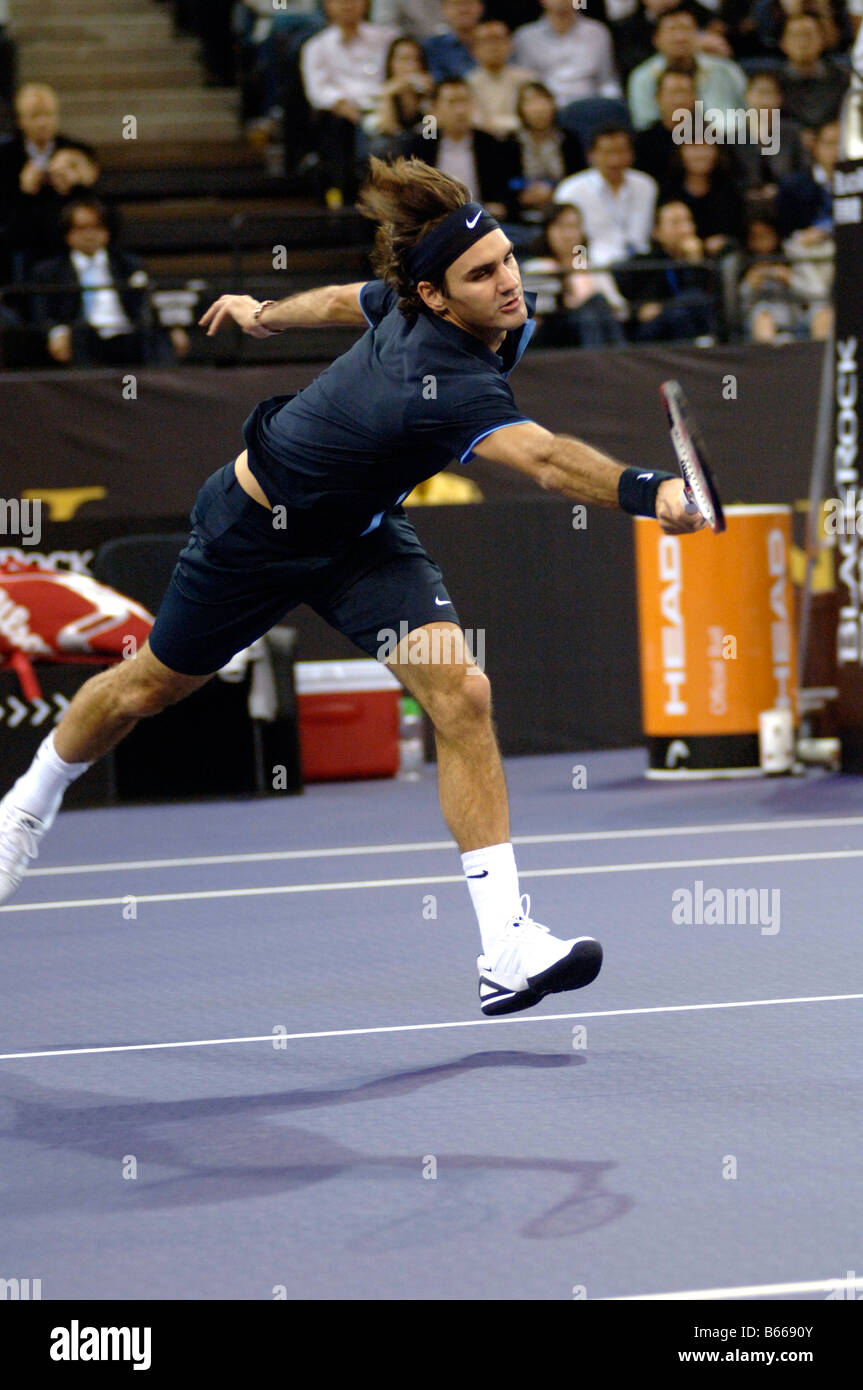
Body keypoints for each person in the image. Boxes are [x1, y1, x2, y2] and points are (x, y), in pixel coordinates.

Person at [0, 155, 702, 1017]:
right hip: (251, 536)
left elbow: (344, 300)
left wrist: (264, 313)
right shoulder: (438, 382)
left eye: (509, 260)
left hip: (363, 539)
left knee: (463, 694)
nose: (510, 282)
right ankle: (28, 805)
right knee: (149, 686)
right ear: (437, 298)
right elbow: (550, 462)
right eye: (483, 275)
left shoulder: (464, 314)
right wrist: (653, 493)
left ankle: (506, 947)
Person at [32, 197, 188, 368]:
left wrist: (172, 328)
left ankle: (155, 392)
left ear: (107, 232)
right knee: (78, 336)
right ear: (68, 234)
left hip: (128, 334)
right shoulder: (49, 271)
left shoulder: (129, 265)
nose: (89, 235)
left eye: (96, 227)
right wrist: (57, 333)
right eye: (82, 228)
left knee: (154, 338)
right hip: (84, 337)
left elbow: (148, 304)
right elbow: (43, 314)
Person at [299, 0, 397, 202]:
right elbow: (317, 91)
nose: (347, 4)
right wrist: (342, 104)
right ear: (327, 5)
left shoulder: (387, 38)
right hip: (346, 116)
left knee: (426, 127)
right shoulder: (316, 46)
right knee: (342, 130)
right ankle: (351, 199)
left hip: (388, 106)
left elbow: (402, 69)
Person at [406, 77, 522, 221]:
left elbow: (510, 193)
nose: (460, 110)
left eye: (465, 101)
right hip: (434, 223)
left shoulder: (493, 144)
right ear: (435, 108)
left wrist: (501, 206)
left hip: (483, 222)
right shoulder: (421, 146)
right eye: (452, 103)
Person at [520, 202, 629, 345]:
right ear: (547, 231)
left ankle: (615, 357)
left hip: (591, 323)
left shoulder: (593, 267)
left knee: (597, 302)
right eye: (560, 227)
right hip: (552, 328)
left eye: (573, 227)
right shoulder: (535, 268)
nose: (567, 234)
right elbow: (536, 313)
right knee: (587, 313)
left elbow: (620, 309)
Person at [626, 6, 746, 130]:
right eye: (672, 30)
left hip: (727, 141)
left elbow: (748, 110)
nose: (680, 38)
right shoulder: (642, 77)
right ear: (656, 39)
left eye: (686, 29)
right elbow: (644, 123)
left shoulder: (725, 69)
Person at [554, 124, 658, 266]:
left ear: (632, 154)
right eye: (607, 152)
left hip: (644, 266)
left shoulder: (646, 185)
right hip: (595, 267)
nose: (614, 160)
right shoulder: (571, 190)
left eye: (620, 152)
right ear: (591, 155)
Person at [614, 197, 716, 340]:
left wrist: (694, 264)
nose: (685, 229)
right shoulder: (645, 262)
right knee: (684, 308)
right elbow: (624, 290)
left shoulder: (702, 260)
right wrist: (638, 309)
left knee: (692, 301)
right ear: (657, 232)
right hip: (653, 329)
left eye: (688, 221)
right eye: (676, 223)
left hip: (683, 318)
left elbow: (706, 298)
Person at [511, 0, 622, 106]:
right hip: (544, 109)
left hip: (589, 105)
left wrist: (610, 104)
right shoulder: (525, 37)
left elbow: (607, 80)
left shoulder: (597, 32)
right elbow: (524, 83)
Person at [513, 81, 585, 221]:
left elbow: (578, 176)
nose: (539, 109)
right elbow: (508, 183)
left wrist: (554, 191)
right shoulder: (508, 143)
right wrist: (522, 193)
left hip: (564, 208)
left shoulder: (569, 139)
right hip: (523, 212)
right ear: (520, 109)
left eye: (543, 101)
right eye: (530, 102)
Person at [660, 138, 745, 253]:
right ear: (680, 152)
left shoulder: (730, 189)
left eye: (706, 147)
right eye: (694, 147)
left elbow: (739, 232)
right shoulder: (668, 189)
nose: (700, 154)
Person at [362, 36, 435, 158]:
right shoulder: (377, 94)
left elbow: (431, 133)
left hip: (422, 157)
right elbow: (387, 129)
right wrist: (387, 96)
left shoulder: (426, 95)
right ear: (391, 63)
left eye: (416, 60)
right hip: (390, 157)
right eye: (404, 59)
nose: (412, 66)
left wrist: (431, 97)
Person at [465, 20, 537, 137]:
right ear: (474, 49)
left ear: (510, 45)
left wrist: (494, 124)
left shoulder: (528, 79)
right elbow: (474, 121)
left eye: (499, 40)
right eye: (486, 41)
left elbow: (534, 117)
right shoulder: (467, 84)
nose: (494, 46)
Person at [778, 9, 849, 129]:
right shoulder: (773, 82)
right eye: (795, 36)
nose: (802, 42)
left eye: (808, 35)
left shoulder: (842, 79)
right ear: (783, 43)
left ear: (822, 40)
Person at [632, 62, 697, 185]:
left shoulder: (710, 138)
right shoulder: (643, 142)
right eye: (673, 93)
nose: (679, 100)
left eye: (684, 92)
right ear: (658, 98)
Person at [423, 0, 483, 82]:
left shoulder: (498, 41)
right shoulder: (432, 48)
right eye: (456, 4)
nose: (463, 10)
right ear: (444, 9)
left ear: (480, 7)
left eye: (469, 3)